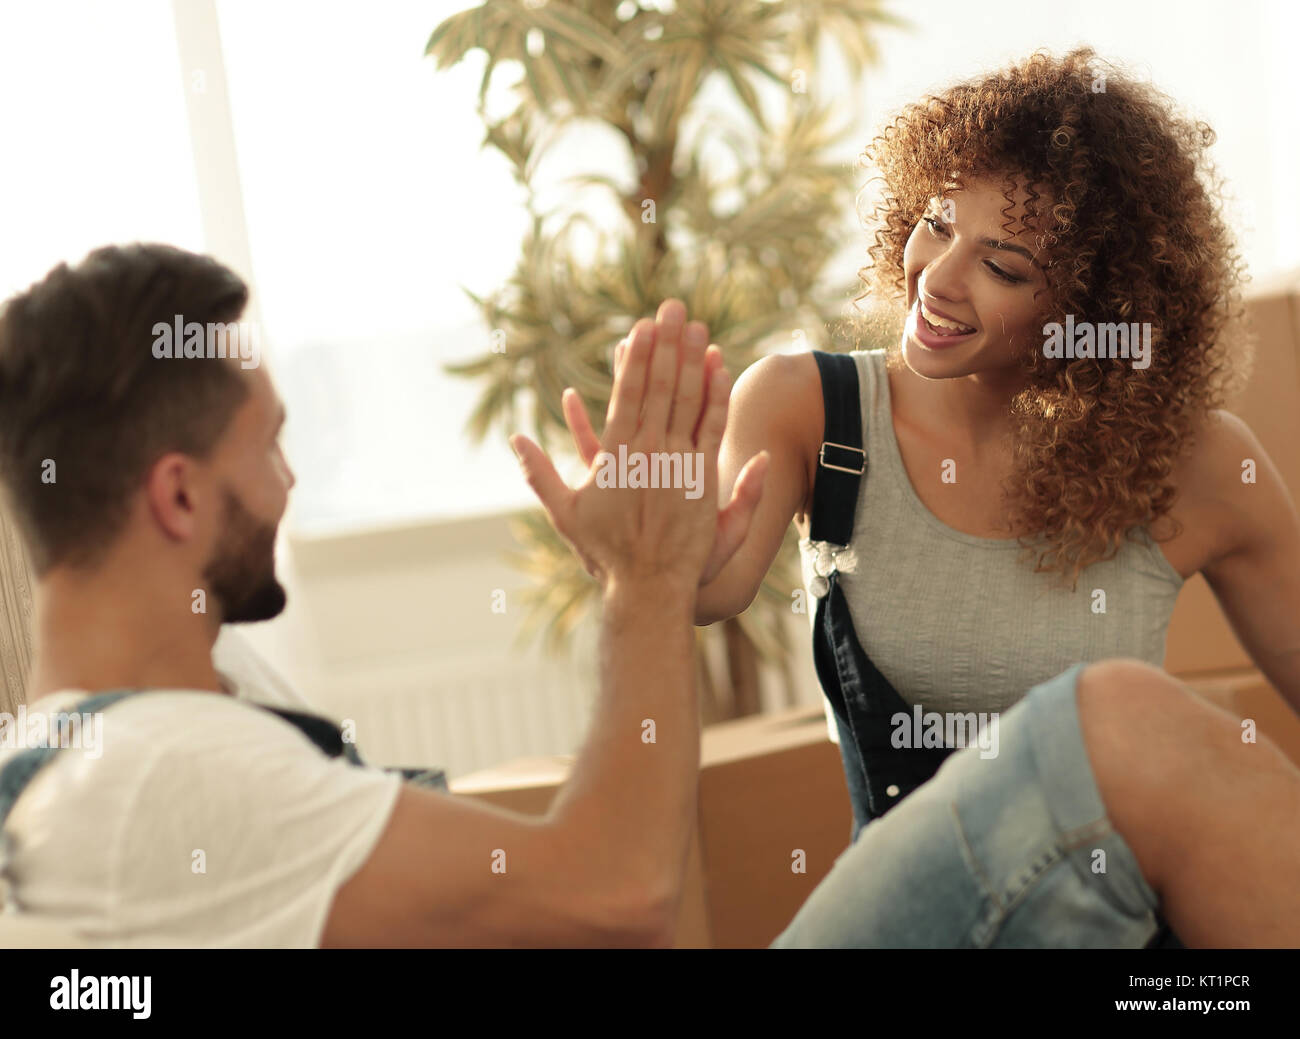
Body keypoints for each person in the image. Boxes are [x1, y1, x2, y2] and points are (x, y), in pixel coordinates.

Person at [0, 245, 1295, 948]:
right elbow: (613, 892)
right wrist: (645, 577)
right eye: (266, 447)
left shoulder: (141, 744)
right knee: (1118, 726)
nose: (287, 481)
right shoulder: (149, 782)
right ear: (176, 497)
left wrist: (653, 566)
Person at [690, 46, 1300, 879]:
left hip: (1126, 925)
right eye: (936, 223)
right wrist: (650, 528)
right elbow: (708, 586)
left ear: (1092, 302)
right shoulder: (811, 409)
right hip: (913, 914)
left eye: (1002, 265)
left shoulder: (1194, 462)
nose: (937, 278)